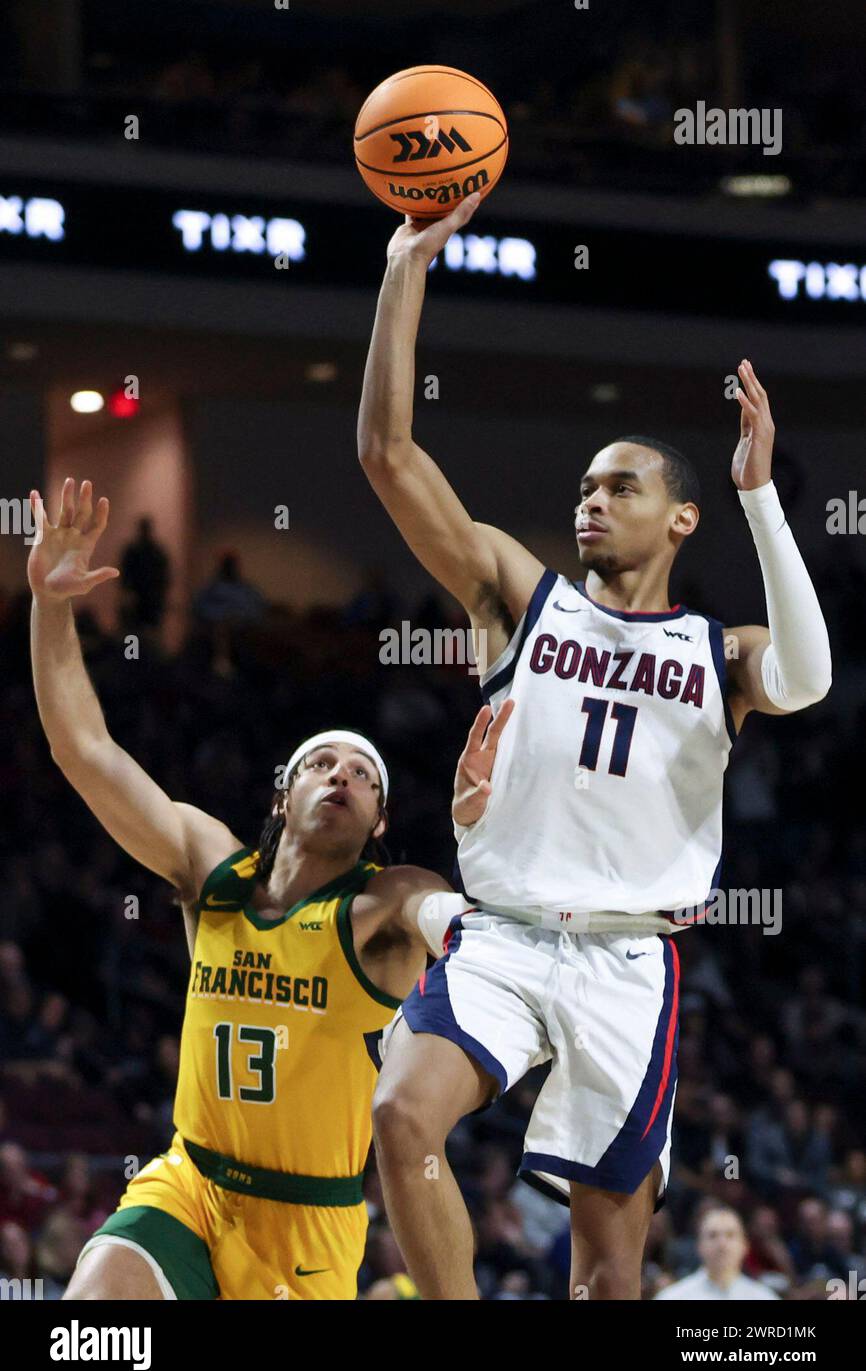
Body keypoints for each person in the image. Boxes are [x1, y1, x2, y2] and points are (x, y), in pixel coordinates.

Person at [357, 195, 832, 1300]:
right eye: (582, 485)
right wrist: (402, 272)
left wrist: (758, 498)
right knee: (398, 1109)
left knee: (609, 1276)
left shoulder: (718, 650)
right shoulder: (522, 600)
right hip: (504, 936)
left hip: (627, 962)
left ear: (680, 518)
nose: (590, 500)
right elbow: (386, 454)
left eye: (621, 485)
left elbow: (805, 677)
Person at [27, 477, 479, 1301]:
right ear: (283, 797)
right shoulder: (211, 866)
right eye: (322, 764)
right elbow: (84, 751)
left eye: (364, 777)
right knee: (95, 1311)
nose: (342, 776)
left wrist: (468, 915)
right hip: (189, 1186)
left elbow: (446, 918)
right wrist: (49, 606)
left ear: (379, 823)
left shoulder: (383, 905)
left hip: (308, 1224)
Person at [654, 1206, 780, 1301]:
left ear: (744, 1246)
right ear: (699, 1246)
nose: (722, 1244)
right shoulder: (671, 1297)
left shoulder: (765, 1297)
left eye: (730, 1235)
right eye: (712, 1235)